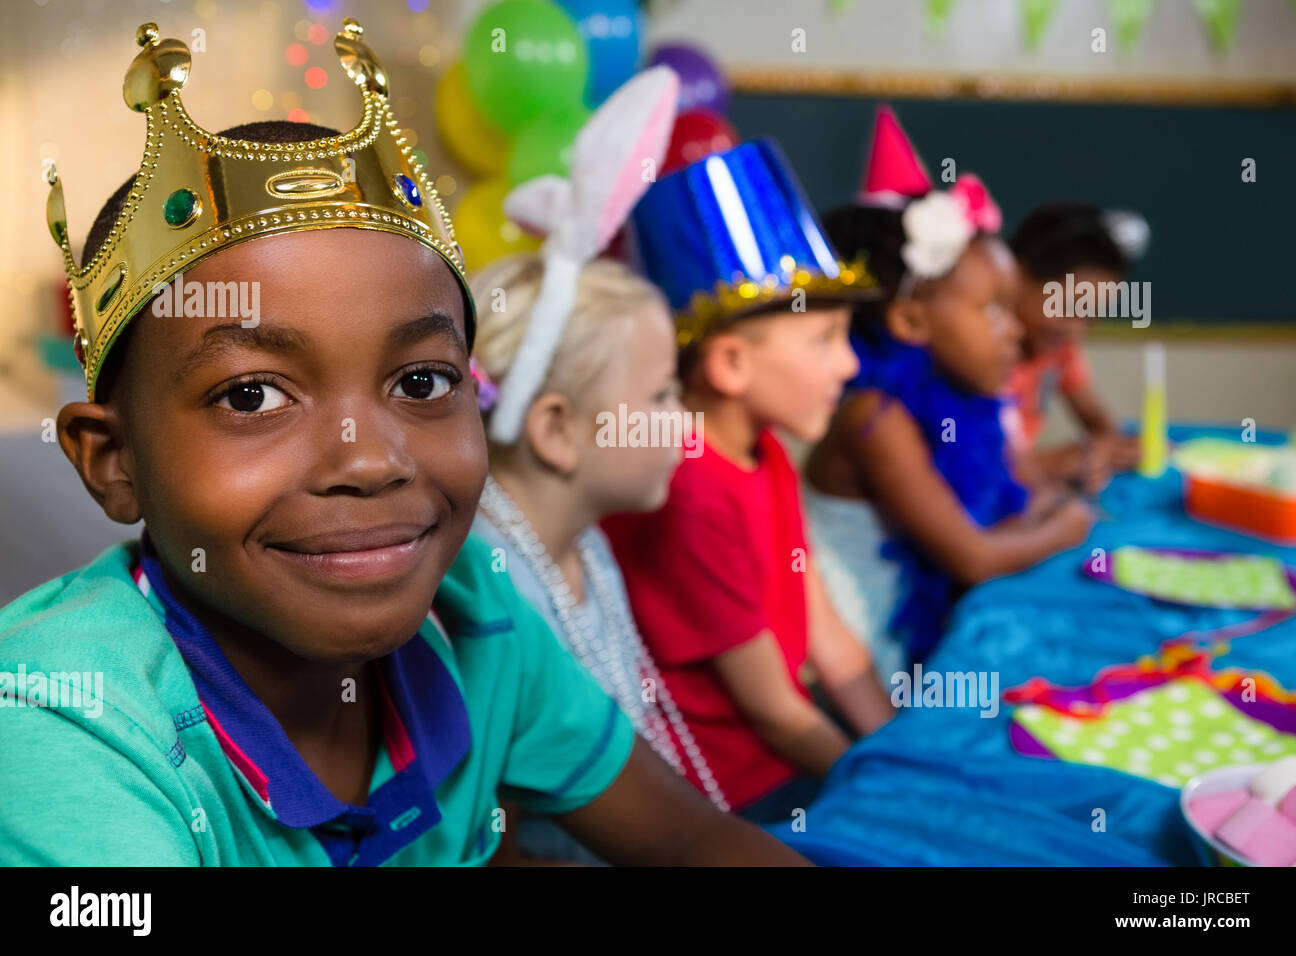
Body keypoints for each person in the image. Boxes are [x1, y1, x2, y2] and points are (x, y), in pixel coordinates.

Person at [0, 21, 804, 867]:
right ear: (111, 461)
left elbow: (690, 837)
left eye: (420, 383)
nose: (372, 459)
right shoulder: (67, 728)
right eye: (253, 395)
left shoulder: (476, 619)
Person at [466, 68, 731, 863]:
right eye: (659, 396)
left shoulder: (583, 543)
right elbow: (494, 841)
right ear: (556, 430)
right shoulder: (489, 592)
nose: (686, 423)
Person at [604, 138, 897, 826]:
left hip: (788, 746)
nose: (850, 364)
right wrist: (878, 787)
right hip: (728, 797)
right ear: (730, 363)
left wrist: (894, 751)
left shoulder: (761, 447)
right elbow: (772, 711)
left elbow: (825, 629)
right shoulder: (690, 488)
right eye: (824, 340)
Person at [805, 105, 1094, 671]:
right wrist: (1066, 526)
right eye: (991, 311)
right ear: (911, 322)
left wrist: (1049, 501)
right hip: (874, 668)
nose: (1014, 330)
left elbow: (1019, 490)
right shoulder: (876, 417)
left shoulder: (968, 396)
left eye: (1012, 309)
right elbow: (975, 558)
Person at [1006, 202, 1145, 490]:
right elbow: (950, 471)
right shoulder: (974, 356)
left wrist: (1104, 450)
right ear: (1015, 275)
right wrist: (1046, 464)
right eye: (1066, 308)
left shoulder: (1057, 350)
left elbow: (1097, 420)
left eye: (1090, 317)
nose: (1075, 330)